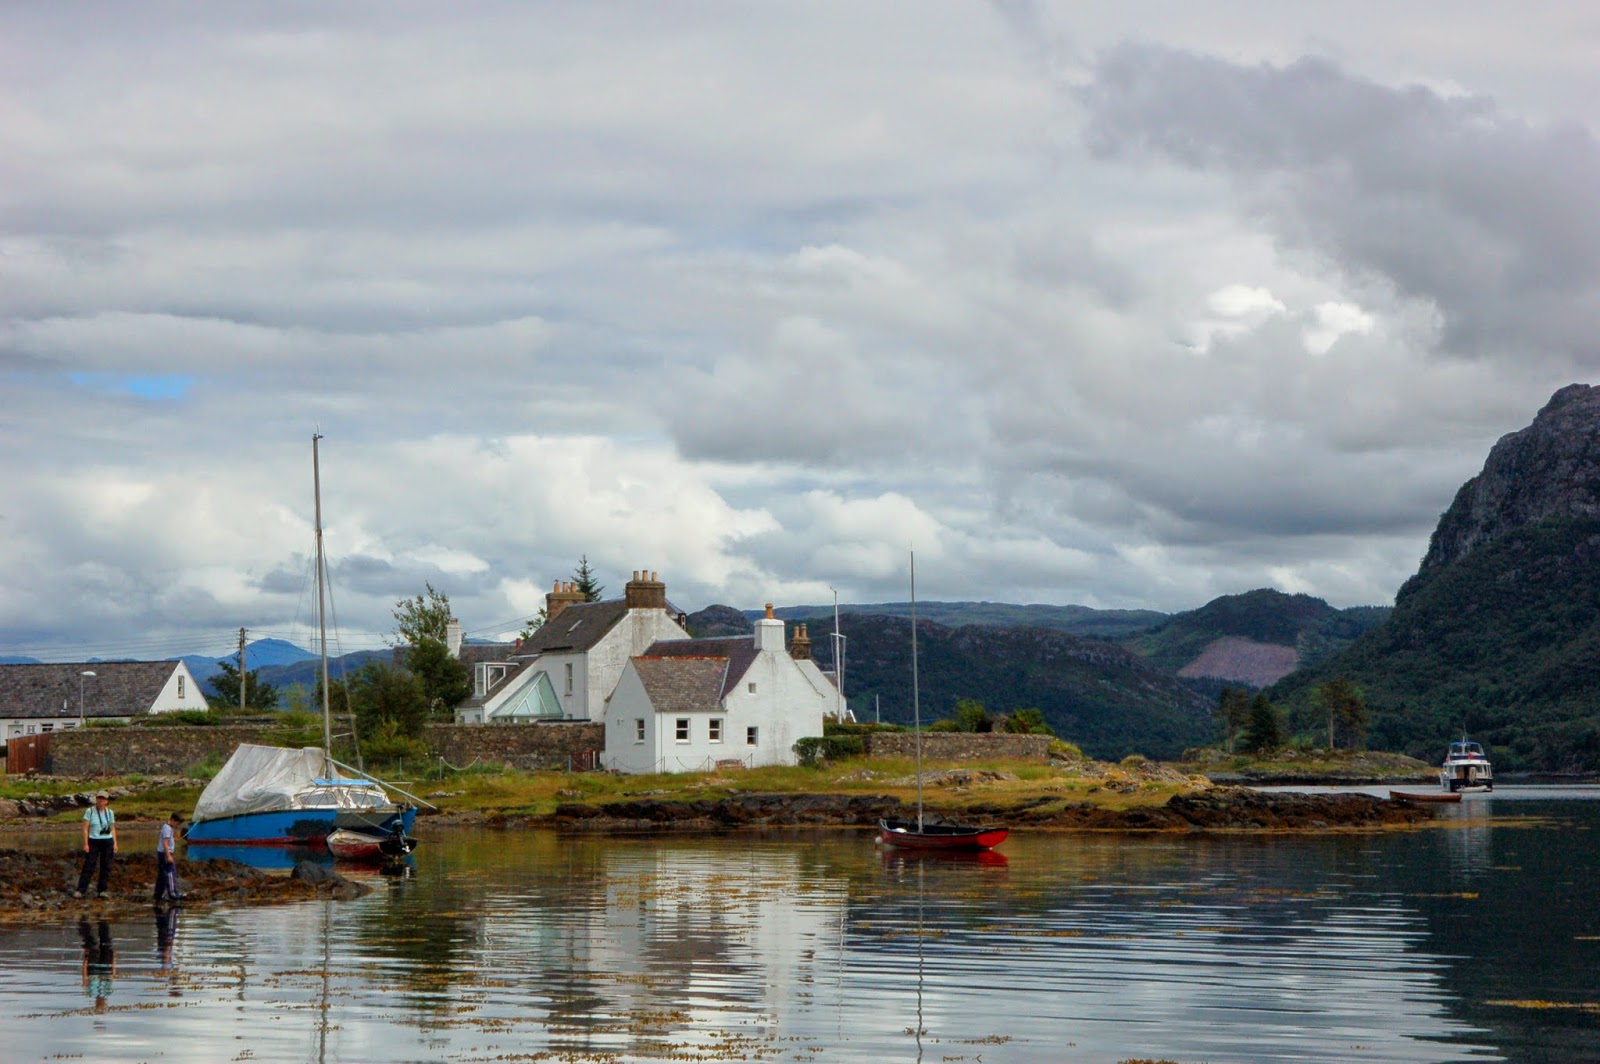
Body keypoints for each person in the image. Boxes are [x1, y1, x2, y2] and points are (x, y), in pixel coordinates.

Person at [74, 791, 117, 899]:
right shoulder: (90, 811)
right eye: (99, 798)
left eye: (103, 799)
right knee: (89, 865)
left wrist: (115, 843)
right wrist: (85, 843)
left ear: (107, 801)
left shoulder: (110, 812)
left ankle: (102, 890)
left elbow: (112, 828)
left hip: (107, 840)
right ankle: (81, 890)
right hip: (93, 840)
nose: (100, 800)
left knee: (106, 866)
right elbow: (85, 828)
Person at [153, 811, 184, 903]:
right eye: (177, 823)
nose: (177, 826)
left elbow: (167, 840)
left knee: (162, 875)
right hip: (165, 854)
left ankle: (158, 894)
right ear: (173, 820)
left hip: (162, 853)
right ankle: (173, 894)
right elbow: (165, 843)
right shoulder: (167, 829)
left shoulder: (168, 828)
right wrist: (169, 855)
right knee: (170, 873)